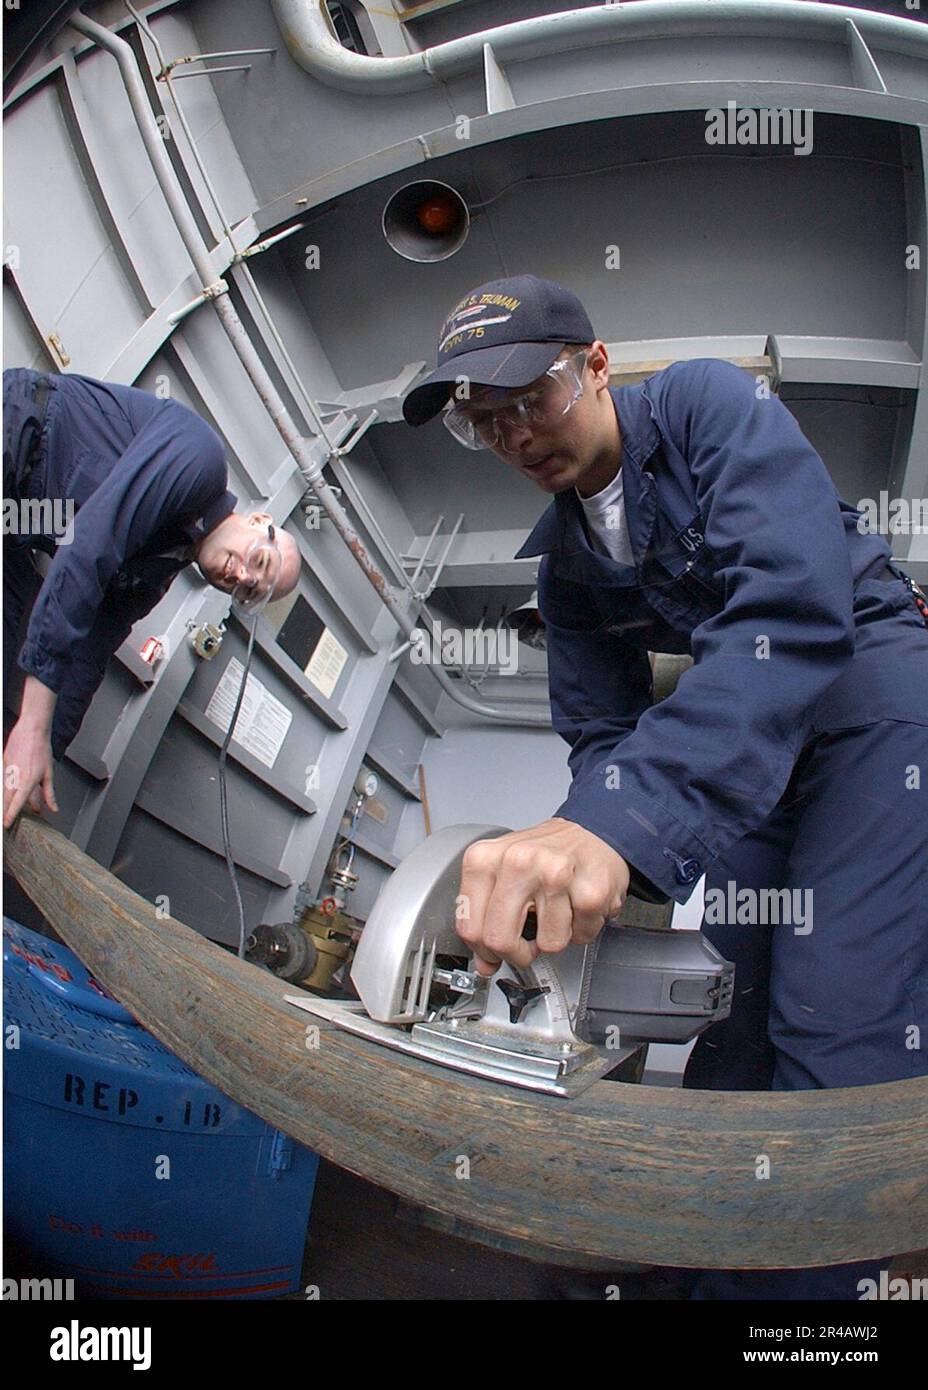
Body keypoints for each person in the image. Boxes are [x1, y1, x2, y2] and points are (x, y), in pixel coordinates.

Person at [402, 273, 928, 1300]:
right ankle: (721, 1272)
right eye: (486, 423)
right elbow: (600, 735)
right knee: (726, 1020)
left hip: (868, 703)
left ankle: (800, 1308)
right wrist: (587, 857)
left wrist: (613, 823)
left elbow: (789, 608)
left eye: (533, 399)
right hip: (755, 757)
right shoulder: (561, 569)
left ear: (597, 366)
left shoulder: (703, 404)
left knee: (835, 1028)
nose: (516, 436)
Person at [3, 366, 301, 828]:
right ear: (259, 520)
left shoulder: (160, 569)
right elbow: (87, 550)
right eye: (257, 563)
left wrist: (43, 758)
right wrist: (32, 727)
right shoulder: (199, 458)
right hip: (17, 433)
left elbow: (91, 651)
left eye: (247, 589)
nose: (238, 575)